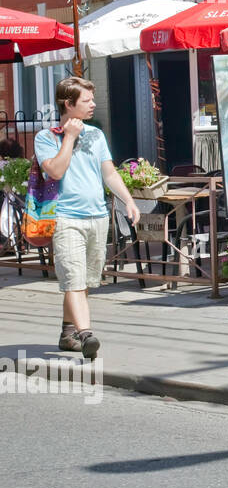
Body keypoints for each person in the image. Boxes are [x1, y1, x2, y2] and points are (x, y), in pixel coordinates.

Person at [34, 76, 140, 358]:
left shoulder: (96, 135)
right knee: (74, 280)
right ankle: (86, 335)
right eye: (87, 100)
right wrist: (68, 137)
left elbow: (109, 172)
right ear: (69, 104)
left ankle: (68, 333)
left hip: (97, 217)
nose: (94, 104)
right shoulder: (46, 137)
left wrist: (128, 200)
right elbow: (55, 171)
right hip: (66, 218)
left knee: (84, 281)